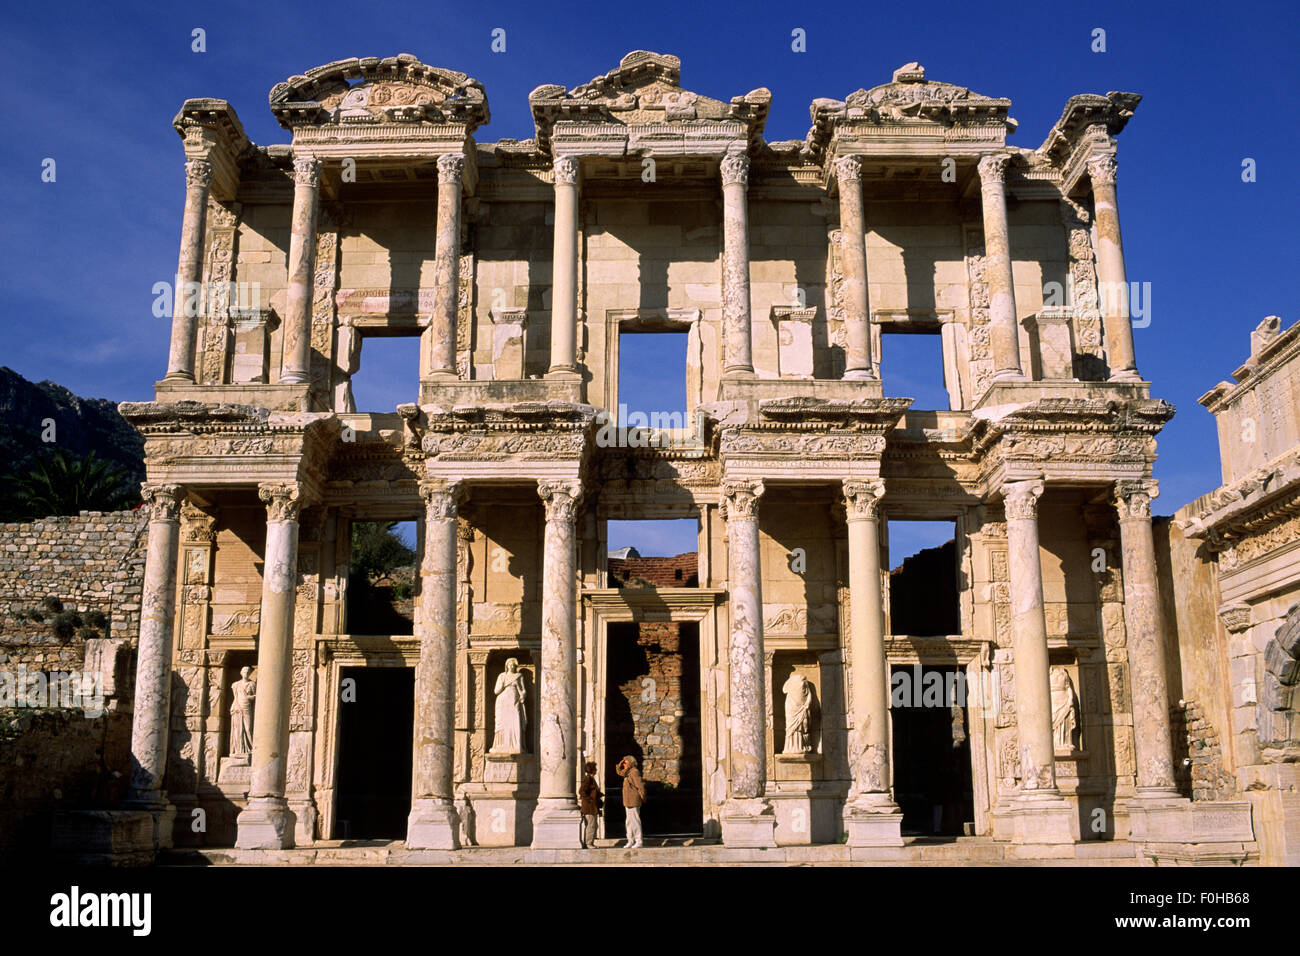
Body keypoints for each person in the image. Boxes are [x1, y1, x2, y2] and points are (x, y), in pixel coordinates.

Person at [491, 658, 526, 753]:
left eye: (513, 664)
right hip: (503, 701)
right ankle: (500, 745)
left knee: (515, 721)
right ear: (506, 666)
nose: (511, 666)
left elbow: (524, 691)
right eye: (510, 664)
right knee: (503, 722)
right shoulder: (502, 676)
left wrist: (517, 685)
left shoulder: (519, 676)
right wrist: (503, 684)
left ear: (516, 666)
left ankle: (516, 745)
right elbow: (496, 691)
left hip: (514, 700)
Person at [616, 754, 646, 849]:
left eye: (625, 762)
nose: (624, 764)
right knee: (629, 821)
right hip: (627, 800)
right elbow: (620, 772)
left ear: (630, 763)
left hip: (634, 800)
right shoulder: (627, 772)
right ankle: (630, 840)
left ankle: (638, 840)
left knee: (635, 821)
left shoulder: (634, 772)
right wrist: (619, 765)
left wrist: (643, 796)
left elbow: (640, 785)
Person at [578, 761, 602, 848]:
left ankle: (590, 842)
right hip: (589, 807)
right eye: (595, 768)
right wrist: (590, 800)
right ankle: (588, 843)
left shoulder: (591, 779)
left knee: (594, 825)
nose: (596, 770)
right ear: (592, 770)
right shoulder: (588, 779)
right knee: (591, 825)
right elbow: (582, 791)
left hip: (592, 806)